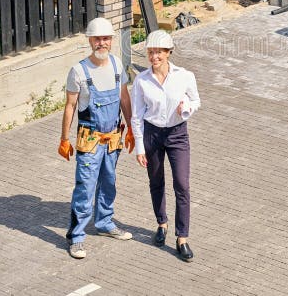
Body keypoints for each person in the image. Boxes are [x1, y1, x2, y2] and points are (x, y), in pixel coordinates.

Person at [58, 17, 136, 259]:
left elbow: (124, 98)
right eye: (97, 39)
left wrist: (132, 128)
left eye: (105, 38)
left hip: (113, 138)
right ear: (90, 41)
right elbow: (70, 106)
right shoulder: (78, 71)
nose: (101, 43)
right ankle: (77, 237)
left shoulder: (116, 65)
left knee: (109, 182)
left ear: (111, 41)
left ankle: (104, 223)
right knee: (85, 187)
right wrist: (64, 138)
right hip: (89, 140)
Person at [131, 30, 200, 262]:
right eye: (151, 52)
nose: (154, 57)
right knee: (156, 181)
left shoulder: (184, 76)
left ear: (169, 53)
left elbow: (196, 99)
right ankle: (162, 223)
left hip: (178, 134)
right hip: (152, 135)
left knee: (182, 184)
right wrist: (140, 147)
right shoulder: (141, 81)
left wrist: (187, 108)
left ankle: (182, 238)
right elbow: (136, 116)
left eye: (159, 52)